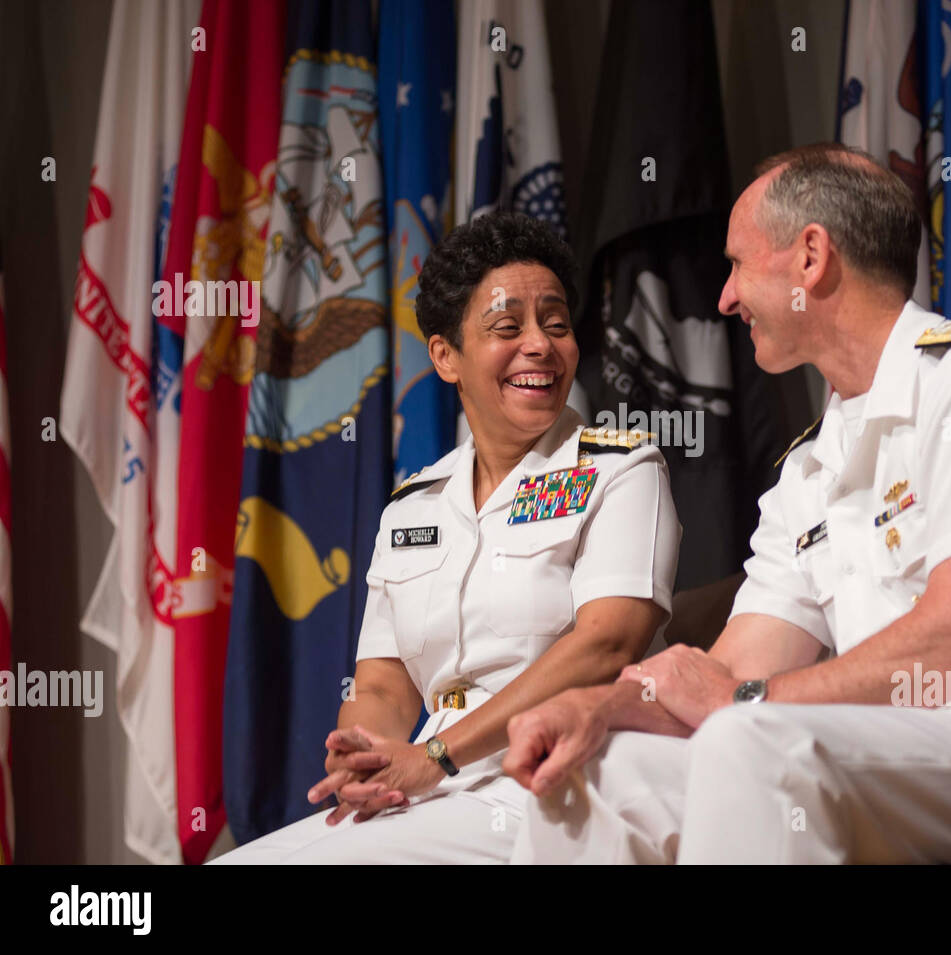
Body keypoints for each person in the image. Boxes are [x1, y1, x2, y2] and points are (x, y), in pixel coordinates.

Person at [501, 144, 951, 864]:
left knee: (751, 740)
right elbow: (731, 668)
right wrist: (600, 705)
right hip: (902, 753)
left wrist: (745, 702)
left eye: (736, 264)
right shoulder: (808, 468)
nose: (725, 298)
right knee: (602, 771)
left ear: (810, 257)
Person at [213, 212, 680, 864]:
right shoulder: (412, 504)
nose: (540, 344)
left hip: (556, 783)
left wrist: (435, 754)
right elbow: (383, 686)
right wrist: (365, 754)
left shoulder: (622, 469)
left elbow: (605, 642)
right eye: (507, 326)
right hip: (434, 789)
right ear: (445, 355)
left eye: (555, 322)